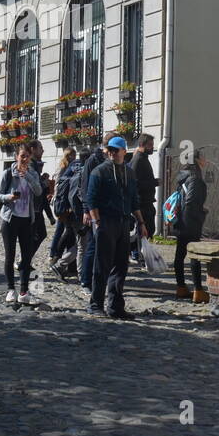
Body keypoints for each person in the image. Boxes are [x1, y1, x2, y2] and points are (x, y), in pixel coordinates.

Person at [85, 136, 145, 320]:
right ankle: (96, 304)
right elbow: (91, 199)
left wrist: (141, 222)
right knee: (101, 265)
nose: (111, 152)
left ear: (123, 152)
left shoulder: (129, 172)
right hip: (105, 222)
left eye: (115, 149)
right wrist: (97, 222)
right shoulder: (99, 171)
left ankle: (115, 306)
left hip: (123, 222)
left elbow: (134, 199)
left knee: (121, 265)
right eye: (109, 149)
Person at [0, 145, 45, 305]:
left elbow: (38, 192)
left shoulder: (32, 174)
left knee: (26, 257)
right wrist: (9, 197)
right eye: (22, 156)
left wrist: (29, 177)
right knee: (10, 256)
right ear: (16, 156)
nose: (25, 159)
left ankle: (24, 291)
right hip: (10, 219)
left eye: (28, 156)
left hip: (26, 220)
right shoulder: (8, 174)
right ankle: (11, 289)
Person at [175, 149, 210, 304]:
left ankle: (181, 288)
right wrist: (199, 214)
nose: (205, 160)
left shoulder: (183, 177)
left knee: (179, 255)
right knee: (194, 255)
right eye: (203, 157)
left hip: (180, 220)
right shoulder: (195, 178)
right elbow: (190, 202)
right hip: (189, 221)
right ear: (196, 160)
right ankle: (198, 291)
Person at [76, 138, 110, 292]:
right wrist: (86, 210)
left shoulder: (112, 161)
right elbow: (85, 187)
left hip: (107, 210)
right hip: (93, 209)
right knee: (92, 245)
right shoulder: (93, 160)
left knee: (104, 246)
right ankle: (85, 280)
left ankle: (100, 278)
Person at [49, 148, 81, 279]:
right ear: (70, 156)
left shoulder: (70, 167)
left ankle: (64, 261)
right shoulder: (66, 167)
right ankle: (55, 256)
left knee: (68, 233)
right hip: (65, 205)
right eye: (73, 154)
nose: (75, 157)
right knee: (64, 231)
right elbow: (58, 185)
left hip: (65, 204)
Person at [129, 134, 158, 264]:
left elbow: (145, 180)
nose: (152, 148)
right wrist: (153, 182)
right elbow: (134, 183)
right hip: (141, 202)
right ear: (142, 145)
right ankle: (132, 250)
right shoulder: (138, 160)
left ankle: (133, 250)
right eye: (150, 145)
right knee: (144, 230)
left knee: (149, 229)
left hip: (147, 200)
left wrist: (154, 182)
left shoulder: (144, 158)